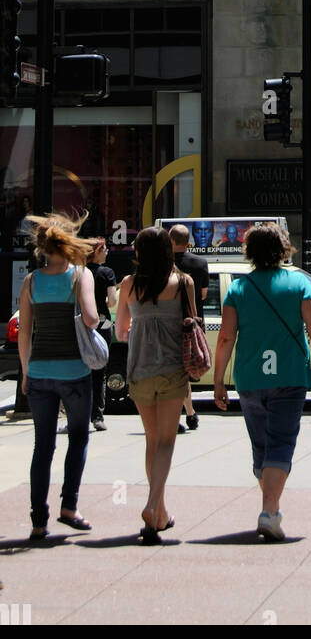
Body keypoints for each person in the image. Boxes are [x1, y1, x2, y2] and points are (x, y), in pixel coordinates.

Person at [213, 222, 311, 541]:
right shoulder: (298, 283)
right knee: (281, 442)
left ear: (249, 252)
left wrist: (219, 381)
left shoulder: (238, 289)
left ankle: (271, 507)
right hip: (290, 375)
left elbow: (225, 338)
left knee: (261, 446)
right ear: (283, 249)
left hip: (250, 378)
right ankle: (269, 512)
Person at [17, 213, 100, 540]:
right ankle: (69, 505)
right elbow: (92, 319)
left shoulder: (31, 281)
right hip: (74, 371)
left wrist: (25, 373)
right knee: (78, 436)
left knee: (43, 445)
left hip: (38, 371)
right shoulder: (81, 276)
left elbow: (25, 332)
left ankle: (39, 519)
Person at [115, 226, 196, 543]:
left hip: (140, 368)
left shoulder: (128, 285)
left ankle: (159, 514)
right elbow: (192, 323)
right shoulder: (182, 284)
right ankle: (152, 506)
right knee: (166, 442)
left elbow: (121, 329)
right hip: (173, 368)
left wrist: (141, 322)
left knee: (151, 441)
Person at [169, 222, 209, 433]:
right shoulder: (200, 263)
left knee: (176, 371)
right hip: (193, 324)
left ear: (171, 240)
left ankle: (185, 413)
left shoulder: (162, 264)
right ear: (189, 241)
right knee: (184, 371)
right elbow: (203, 296)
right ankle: (190, 413)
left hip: (169, 323)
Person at [87, 237, 117, 431]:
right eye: (104, 249)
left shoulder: (78, 272)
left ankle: (76, 415)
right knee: (100, 372)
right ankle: (97, 416)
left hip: (81, 325)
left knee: (80, 372)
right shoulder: (107, 273)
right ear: (96, 251)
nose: (107, 252)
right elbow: (112, 301)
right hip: (102, 324)